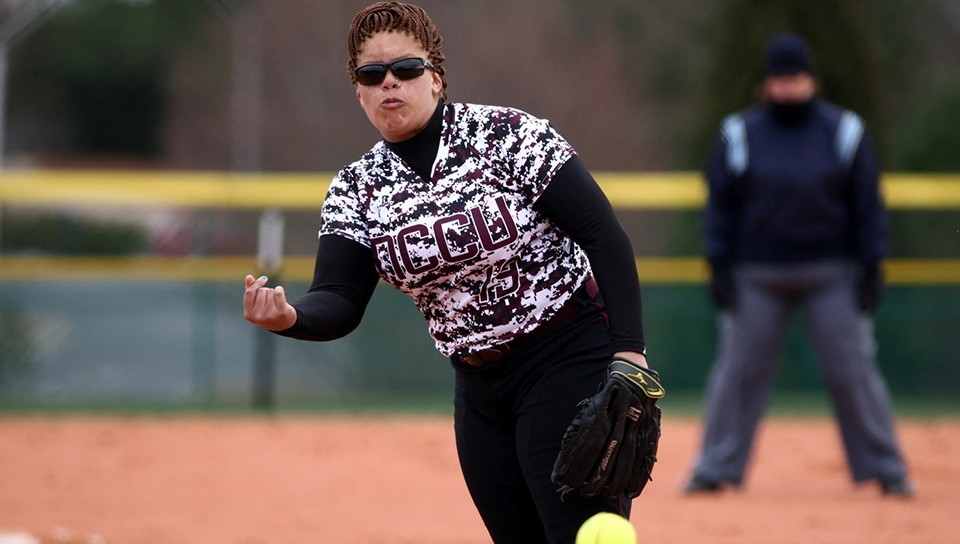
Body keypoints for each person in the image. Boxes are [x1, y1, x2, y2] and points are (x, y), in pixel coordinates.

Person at [243, 3, 660, 542]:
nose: (389, 82)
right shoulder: (357, 188)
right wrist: (290, 317)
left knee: (575, 532)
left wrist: (629, 353)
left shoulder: (507, 136)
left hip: (564, 353)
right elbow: (339, 297)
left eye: (405, 68)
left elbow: (603, 234)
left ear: (436, 78)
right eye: (372, 74)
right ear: (358, 92)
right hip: (478, 386)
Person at [683, 32, 914, 497]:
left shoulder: (845, 131)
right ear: (765, 83)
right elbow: (720, 206)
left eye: (795, 77)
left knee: (852, 368)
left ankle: (885, 466)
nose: (787, 86)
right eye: (779, 77)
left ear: (812, 79)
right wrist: (718, 264)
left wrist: (872, 265)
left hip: (831, 270)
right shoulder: (739, 133)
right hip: (756, 272)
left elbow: (868, 206)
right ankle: (715, 466)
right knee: (739, 370)